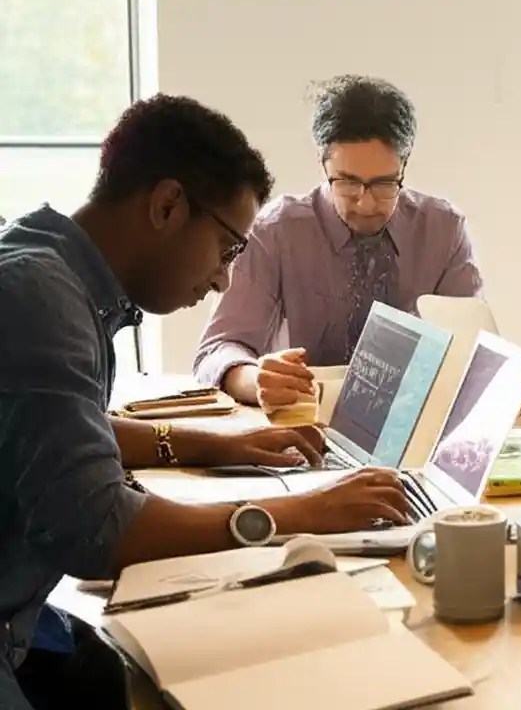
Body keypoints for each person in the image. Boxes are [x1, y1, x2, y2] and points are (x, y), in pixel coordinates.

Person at [0, 95, 412, 710]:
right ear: (167, 206)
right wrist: (302, 515)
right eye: (228, 250)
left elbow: (62, 428)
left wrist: (220, 444)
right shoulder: (40, 298)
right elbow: (98, 529)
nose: (223, 279)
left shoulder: (46, 264)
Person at [194, 74, 484, 409]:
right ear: (323, 165)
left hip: (413, 422)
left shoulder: (443, 230)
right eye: (347, 182)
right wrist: (256, 379)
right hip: (303, 422)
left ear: (404, 164)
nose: (366, 203)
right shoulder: (275, 231)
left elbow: (473, 351)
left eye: (384, 183)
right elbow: (218, 350)